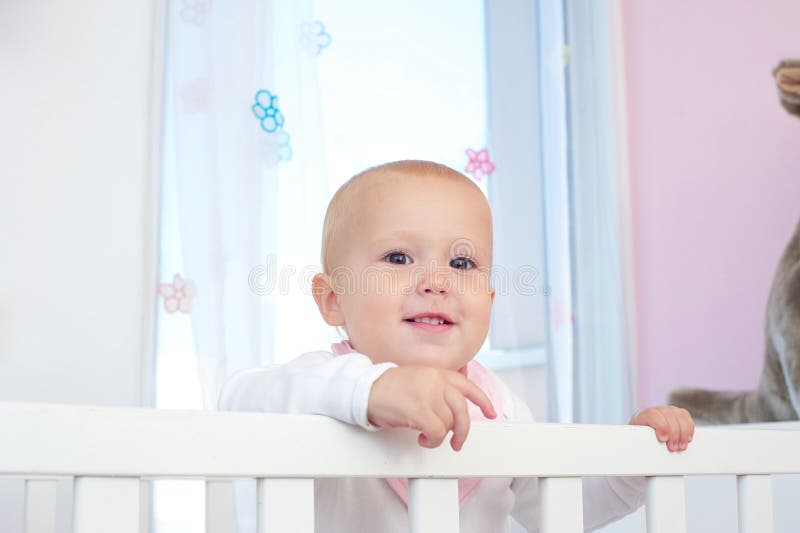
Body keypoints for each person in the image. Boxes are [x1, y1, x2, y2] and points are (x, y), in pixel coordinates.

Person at [219, 160, 695, 532]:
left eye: (463, 263)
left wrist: (634, 463)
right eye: (399, 257)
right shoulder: (323, 386)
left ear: (489, 299)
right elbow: (240, 399)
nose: (436, 281)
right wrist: (371, 390)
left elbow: (561, 510)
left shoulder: (499, 408)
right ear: (333, 299)